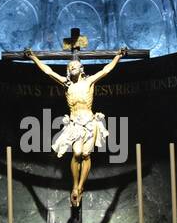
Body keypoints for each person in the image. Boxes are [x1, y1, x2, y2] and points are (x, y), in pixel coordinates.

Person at [25, 47, 126, 206]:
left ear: (81, 68)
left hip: (90, 123)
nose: (72, 67)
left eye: (75, 66)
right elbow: (48, 72)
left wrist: (118, 56)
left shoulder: (89, 81)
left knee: (86, 154)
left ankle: (80, 187)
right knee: (77, 152)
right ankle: (74, 185)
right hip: (75, 124)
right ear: (67, 70)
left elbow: (106, 70)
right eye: (69, 67)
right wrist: (33, 57)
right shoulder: (66, 85)